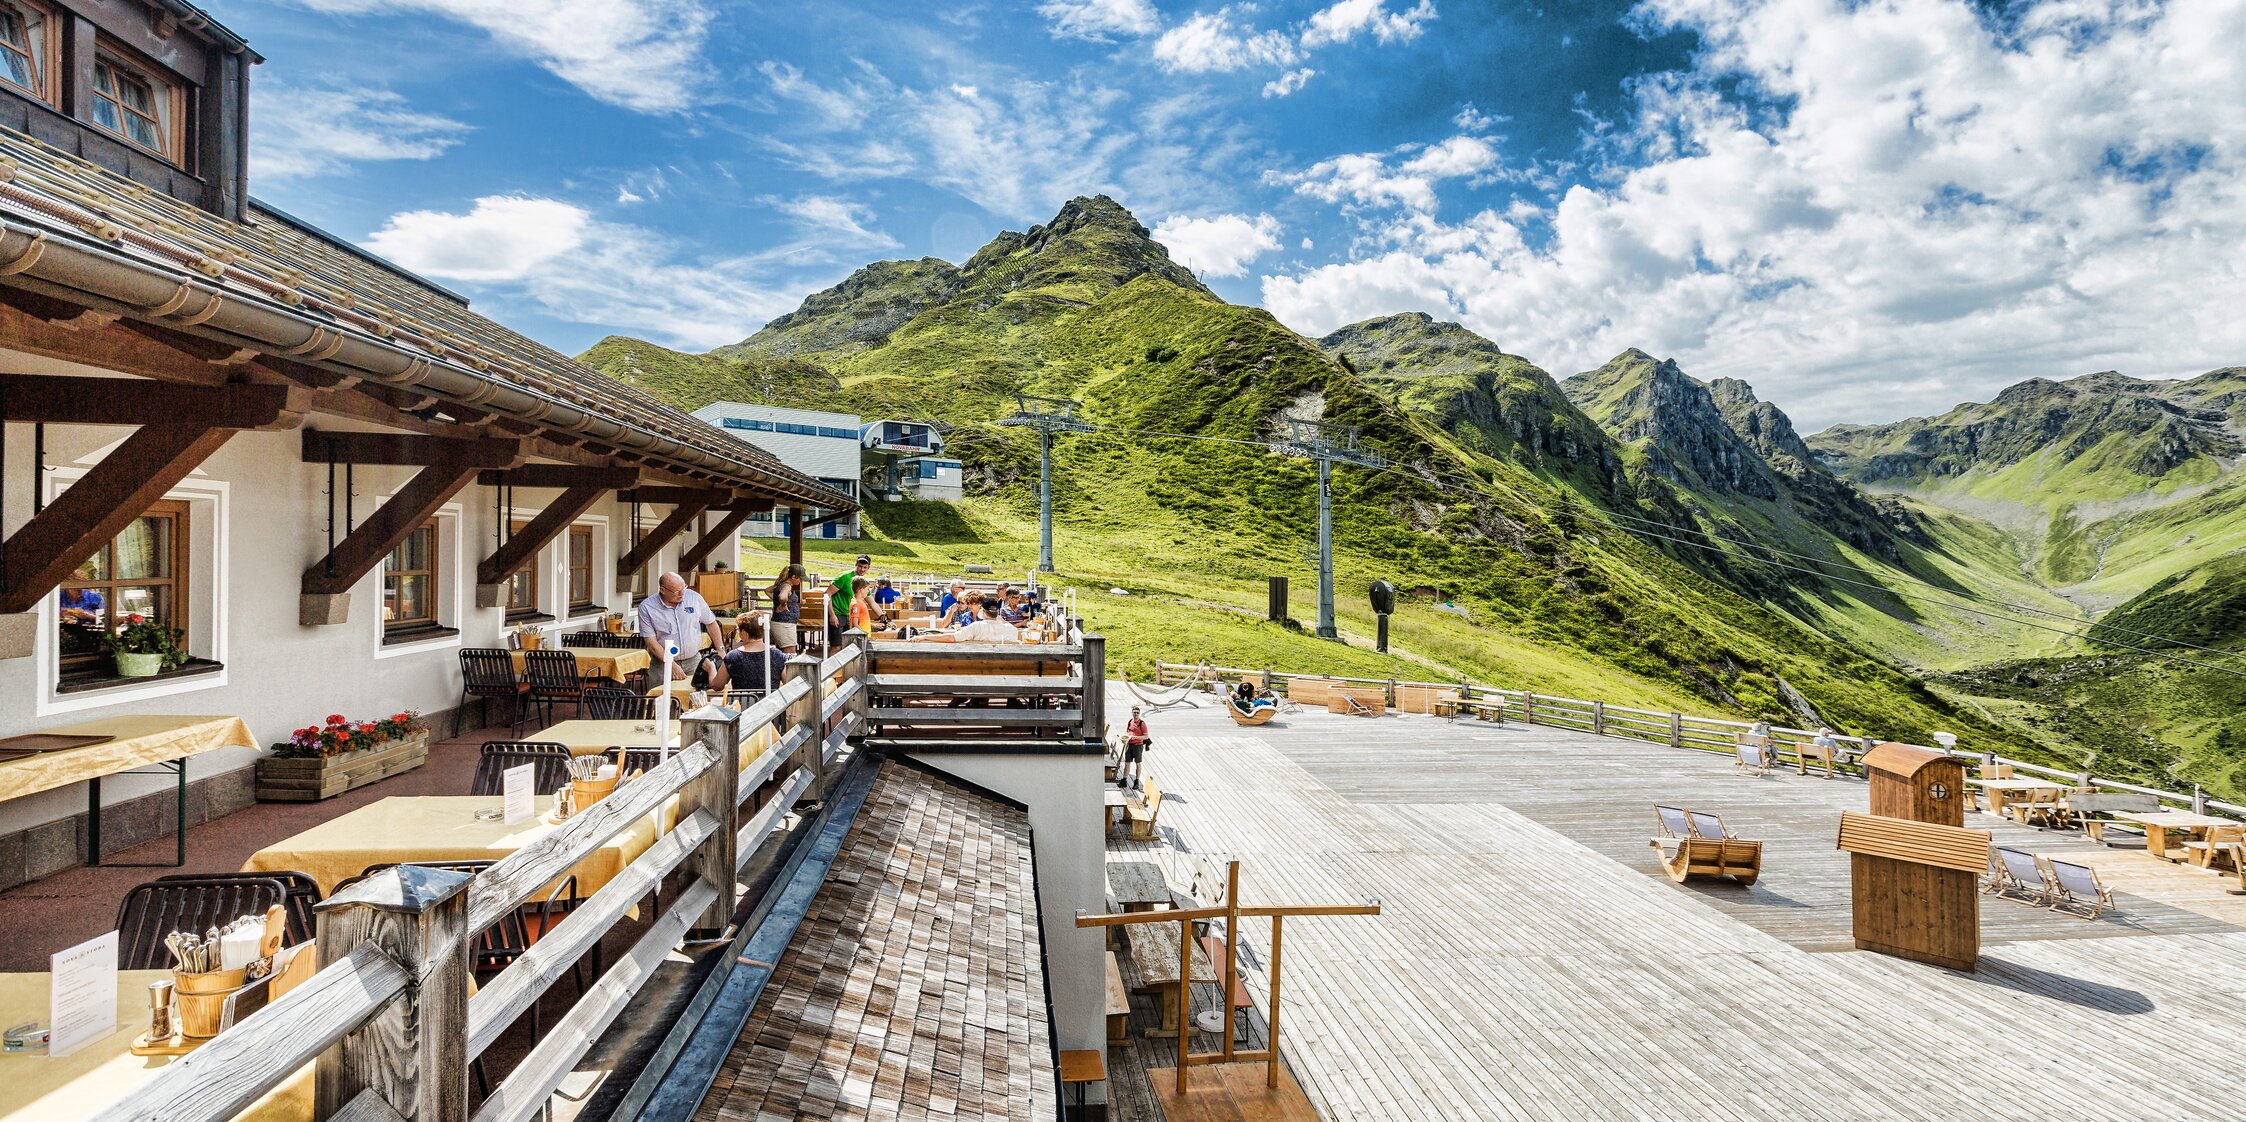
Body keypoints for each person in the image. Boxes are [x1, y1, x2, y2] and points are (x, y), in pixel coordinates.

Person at [638, 572, 729, 691]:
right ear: (662, 590)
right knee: (662, 700)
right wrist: (671, 665)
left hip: (694, 661)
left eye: (684, 588)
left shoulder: (694, 598)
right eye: (676, 591)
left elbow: (711, 623)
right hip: (663, 664)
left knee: (699, 699)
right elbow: (651, 642)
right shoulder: (647, 607)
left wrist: (721, 649)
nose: (682, 593)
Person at [725, 613, 790, 696]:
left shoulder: (733, 656)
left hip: (742, 706)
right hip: (771, 704)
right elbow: (788, 683)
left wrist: (711, 669)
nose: (737, 632)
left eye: (738, 629)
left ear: (745, 633)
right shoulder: (778, 655)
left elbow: (717, 685)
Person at [910, 597, 1018, 643]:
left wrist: (924, 636)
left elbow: (952, 638)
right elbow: (1006, 623)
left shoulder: (977, 626)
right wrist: (999, 618)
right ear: (998, 612)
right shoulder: (1012, 630)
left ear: (983, 611)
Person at [828, 554, 871, 647]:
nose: (862, 569)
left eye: (865, 567)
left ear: (868, 568)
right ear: (856, 564)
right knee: (837, 646)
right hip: (838, 613)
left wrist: (885, 618)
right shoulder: (844, 576)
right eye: (860, 566)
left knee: (848, 646)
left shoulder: (863, 582)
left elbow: (872, 602)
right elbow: (827, 594)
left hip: (850, 616)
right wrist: (832, 615)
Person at [766, 565, 805, 654]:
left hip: (782, 623)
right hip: (785, 624)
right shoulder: (787, 586)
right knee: (790, 654)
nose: (801, 581)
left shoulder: (780, 584)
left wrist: (776, 601)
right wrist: (783, 604)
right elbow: (782, 596)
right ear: (793, 577)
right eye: (800, 579)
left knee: (782, 654)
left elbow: (767, 590)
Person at [1119, 706, 1151, 789]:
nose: (1136, 714)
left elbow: (1146, 736)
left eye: (1137, 713)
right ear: (1132, 713)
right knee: (1127, 763)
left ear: (1139, 714)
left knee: (1138, 764)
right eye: (1134, 712)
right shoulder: (1130, 721)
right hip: (1129, 745)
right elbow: (1127, 731)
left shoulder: (1142, 724)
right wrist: (1126, 737)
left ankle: (1136, 781)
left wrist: (1135, 738)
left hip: (1138, 746)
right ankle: (1124, 780)